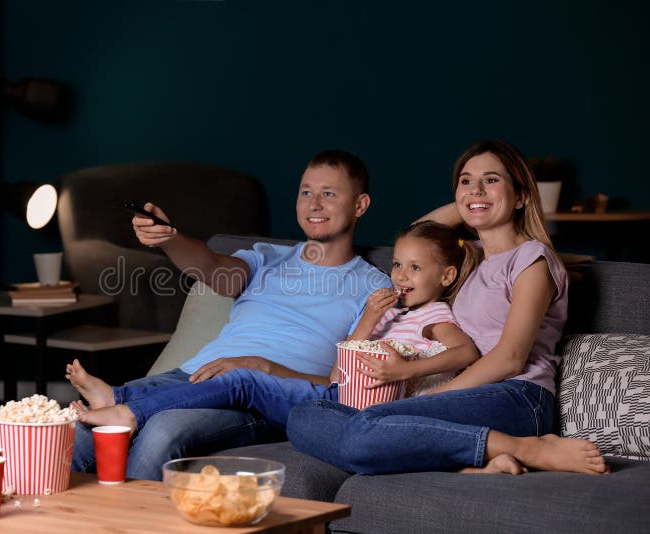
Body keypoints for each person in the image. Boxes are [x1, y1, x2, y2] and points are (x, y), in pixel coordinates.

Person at [287, 140, 610, 476]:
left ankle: (524, 446)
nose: (476, 189)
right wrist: (472, 202)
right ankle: (477, 458)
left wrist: (425, 400)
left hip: (518, 396)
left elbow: (510, 358)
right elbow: (417, 235)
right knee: (303, 416)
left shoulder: (532, 260)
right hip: (471, 396)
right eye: (466, 181)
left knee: (369, 427)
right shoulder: (471, 261)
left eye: (492, 180)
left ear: (523, 195)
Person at [70, 149, 392, 481]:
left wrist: (260, 366)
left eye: (329, 194)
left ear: (360, 205)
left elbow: (339, 387)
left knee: (164, 430)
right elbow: (211, 267)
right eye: (306, 192)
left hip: (259, 399)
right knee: (77, 429)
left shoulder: (374, 289)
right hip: (193, 376)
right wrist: (171, 238)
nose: (314, 204)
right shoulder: (268, 257)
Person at [66, 220, 481, 433]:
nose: (401, 276)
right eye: (396, 265)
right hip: (341, 392)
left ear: (445, 277)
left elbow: (466, 353)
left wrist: (405, 371)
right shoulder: (390, 313)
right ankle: (119, 395)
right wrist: (371, 319)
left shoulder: (433, 317)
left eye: (415, 268)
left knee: (239, 379)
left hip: (345, 405)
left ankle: (127, 408)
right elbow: (342, 371)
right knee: (222, 375)